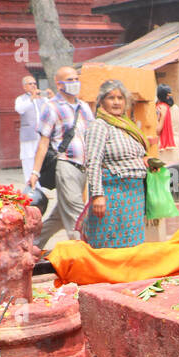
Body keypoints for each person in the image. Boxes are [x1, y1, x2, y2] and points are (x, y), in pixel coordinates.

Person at [80, 79, 156, 249]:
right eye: (111, 98)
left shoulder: (126, 126)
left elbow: (136, 153)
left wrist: (145, 160)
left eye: (120, 98)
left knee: (132, 242)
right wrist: (97, 195)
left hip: (134, 196)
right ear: (101, 101)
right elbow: (93, 162)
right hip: (113, 195)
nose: (116, 102)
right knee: (111, 241)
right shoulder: (100, 126)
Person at [27, 65, 94, 248]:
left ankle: (31, 245)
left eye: (76, 79)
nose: (74, 83)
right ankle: (84, 253)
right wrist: (35, 172)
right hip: (65, 164)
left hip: (83, 168)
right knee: (77, 214)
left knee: (59, 215)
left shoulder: (84, 107)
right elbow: (43, 142)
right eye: (69, 80)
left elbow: (92, 136)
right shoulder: (52, 107)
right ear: (59, 84)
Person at [14, 74, 46, 184]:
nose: (33, 85)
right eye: (30, 84)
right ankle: (31, 187)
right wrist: (31, 99)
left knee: (41, 159)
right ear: (24, 87)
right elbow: (20, 109)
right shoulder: (21, 99)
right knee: (28, 159)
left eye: (34, 83)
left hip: (41, 134)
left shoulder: (42, 98)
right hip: (28, 135)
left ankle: (41, 187)